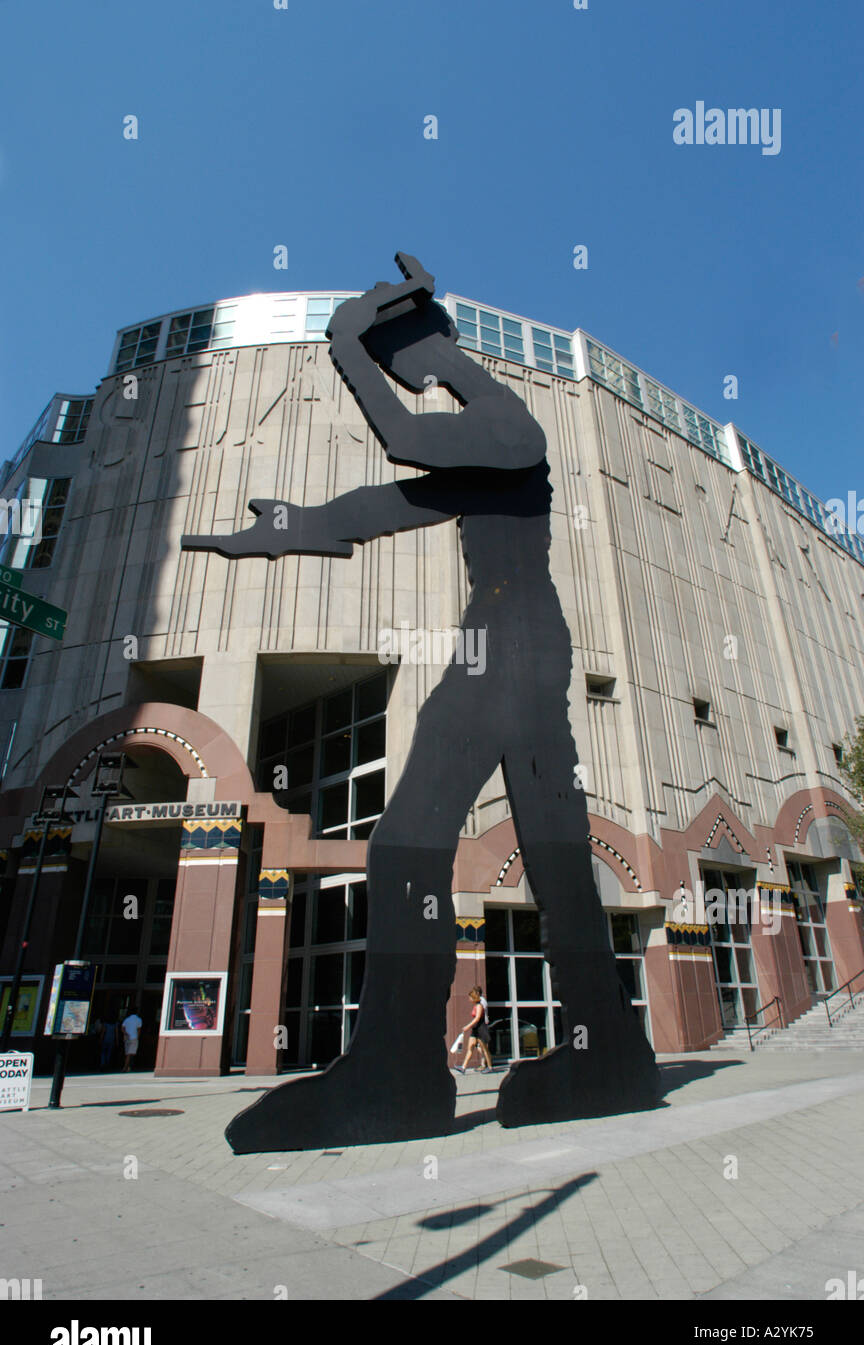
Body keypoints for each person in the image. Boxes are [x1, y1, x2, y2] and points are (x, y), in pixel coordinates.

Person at [184, 252, 661, 1149]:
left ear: (430, 352)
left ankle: (398, 1063)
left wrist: (347, 349)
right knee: (556, 854)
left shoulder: (513, 426)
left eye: (404, 361)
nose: (405, 377)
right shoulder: (493, 442)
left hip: (510, 642)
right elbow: (396, 499)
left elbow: (405, 443)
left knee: (409, 835)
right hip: (521, 641)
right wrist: (292, 529)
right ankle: (608, 1054)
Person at [455, 988, 492, 1073]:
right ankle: (463, 1067)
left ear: (474, 997)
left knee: (484, 1049)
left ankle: (490, 1067)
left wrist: (467, 1026)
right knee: (470, 1047)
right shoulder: (476, 1005)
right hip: (475, 1029)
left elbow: (477, 1018)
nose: (469, 999)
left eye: (470, 997)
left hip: (481, 1029)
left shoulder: (479, 1006)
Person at [121, 1008, 143, 1073]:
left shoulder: (126, 1019)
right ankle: (126, 1067)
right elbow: (139, 1030)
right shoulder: (138, 1019)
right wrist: (138, 1037)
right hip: (134, 1037)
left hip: (127, 1038)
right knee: (131, 1054)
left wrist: (126, 1033)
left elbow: (122, 1028)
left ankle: (128, 1067)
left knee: (127, 1053)